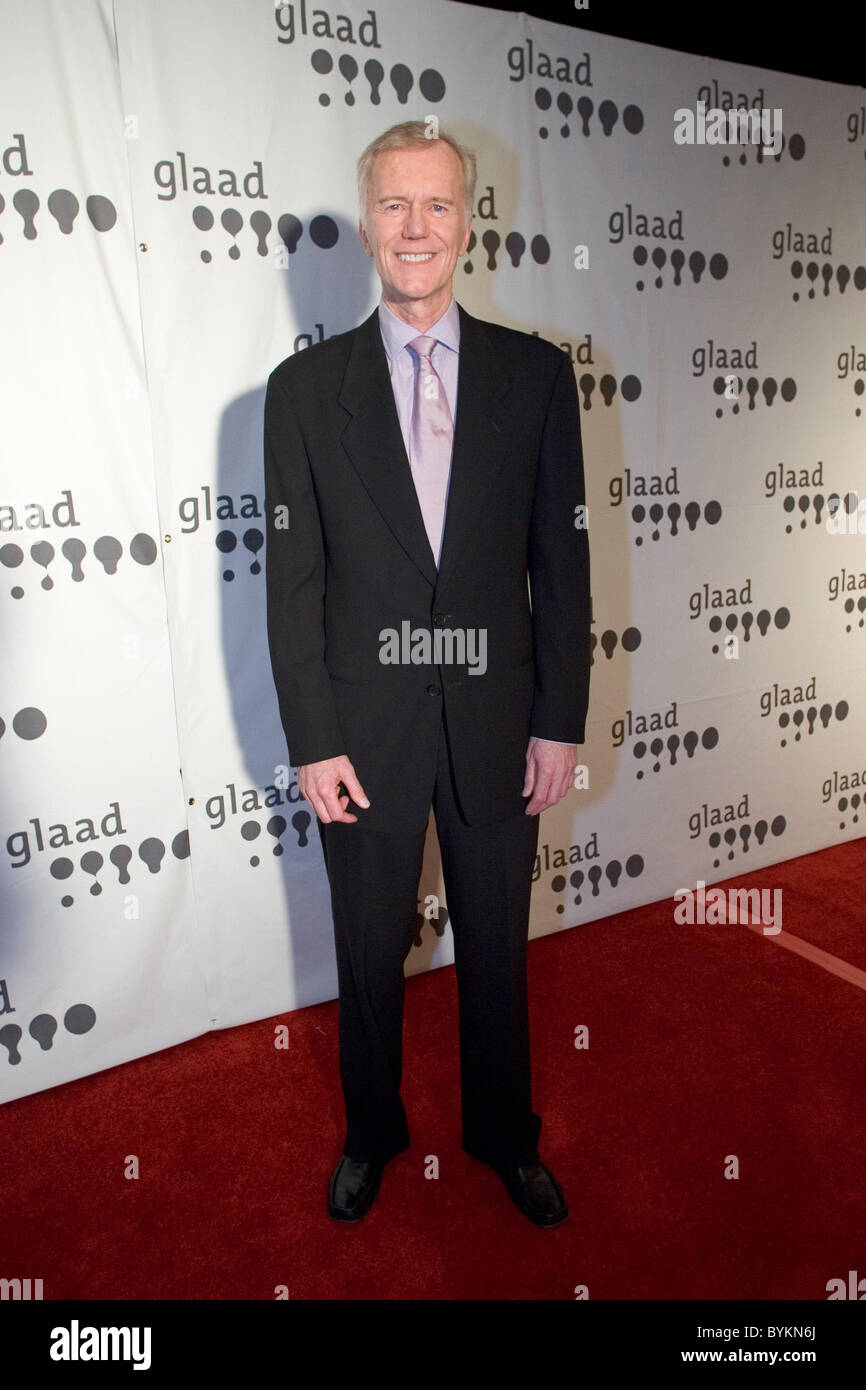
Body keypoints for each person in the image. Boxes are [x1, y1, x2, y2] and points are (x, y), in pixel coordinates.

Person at [264, 120, 591, 1226]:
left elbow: (563, 561)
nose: (416, 228)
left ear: (467, 220)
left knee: (498, 947)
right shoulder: (302, 393)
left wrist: (558, 720)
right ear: (366, 225)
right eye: (395, 206)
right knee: (366, 955)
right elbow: (293, 584)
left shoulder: (538, 378)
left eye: (437, 205)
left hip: (502, 723)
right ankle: (371, 1133)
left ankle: (505, 1134)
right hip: (361, 731)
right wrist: (311, 736)